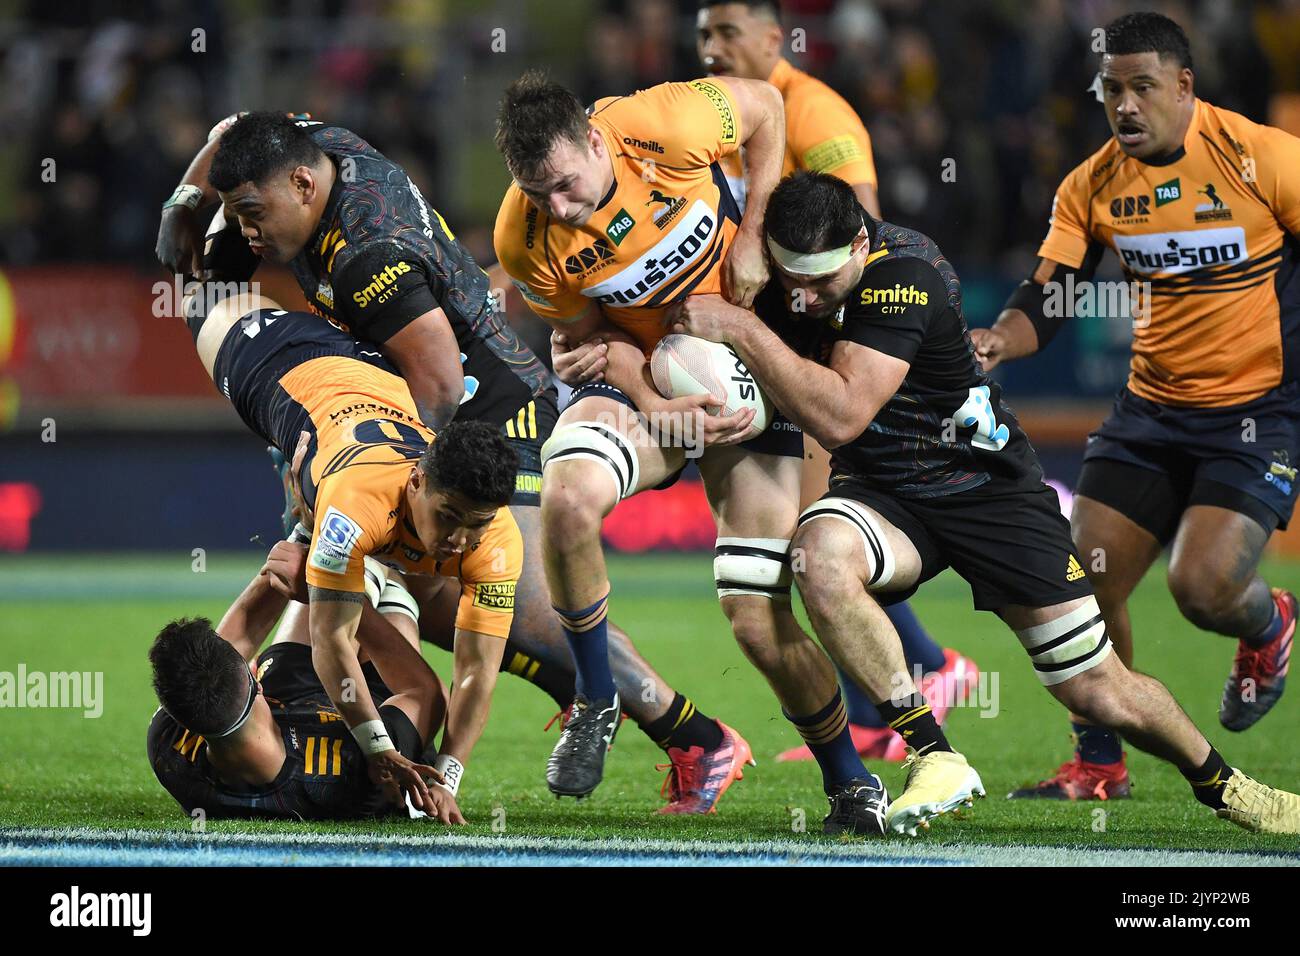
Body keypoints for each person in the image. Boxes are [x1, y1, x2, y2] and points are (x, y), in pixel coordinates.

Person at [668, 168, 1300, 836]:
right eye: (792, 281)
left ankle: (1227, 786)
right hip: (886, 495)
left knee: (1097, 687)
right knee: (818, 556)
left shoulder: (905, 272)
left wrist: (742, 329)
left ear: (858, 244)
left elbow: (843, 414)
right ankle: (933, 756)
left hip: (985, 489)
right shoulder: (778, 274)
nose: (804, 298)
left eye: (821, 283)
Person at [158, 112, 748, 814]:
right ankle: (589, 696)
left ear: (302, 182)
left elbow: (437, 386)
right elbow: (238, 126)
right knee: (446, 614)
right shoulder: (324, 146)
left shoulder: (366, 257)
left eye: (253, 213)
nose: (248, 231)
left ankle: (698, 739)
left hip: (489, 415)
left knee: (526, 616)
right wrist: (188, 201)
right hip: (445, 406)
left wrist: (381, 477)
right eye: (237, 213)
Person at [494, 71, 945, 834]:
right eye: (541, 197)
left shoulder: (662, 125)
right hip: (643, 381)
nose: (559, 210)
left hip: (750, 377)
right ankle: (597, 697)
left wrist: (748, 231)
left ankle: (849, 784)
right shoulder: (523, 238)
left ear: (597, 143)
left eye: (567, 186)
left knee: (755, 618)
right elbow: (588, 339)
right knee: (567, 493)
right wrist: (658, 402)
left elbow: (768, 111)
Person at [972, 12, 1299, 800]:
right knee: (1079, 582)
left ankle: (1265, 624)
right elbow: (1047, 298)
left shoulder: (1264, 158)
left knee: (1202, 590)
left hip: (1255, 413)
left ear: (1184, 87)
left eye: (1142, 87)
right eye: (1110, 89)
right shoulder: (1092, 185)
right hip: (1150, 414)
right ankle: (1098, 763)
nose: (1123, 105)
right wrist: (997, 343)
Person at [695, 0, 978, 763]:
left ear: (772, 36)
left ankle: (920, 678)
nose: (711, 48)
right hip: (787, 345)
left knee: (825, 528)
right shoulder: (719, 120)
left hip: (836, 357)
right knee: (812, 535)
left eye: (726, 32)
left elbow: (865, 232)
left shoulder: (813, 110)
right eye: (703, 35)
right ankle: (904, 685)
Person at [180, 283, 521, 819]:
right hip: (285, 372)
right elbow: (333, 639)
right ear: (416, 481)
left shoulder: (497, 539)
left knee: (343, 571)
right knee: (203, 296)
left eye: (475, 525)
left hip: (376, 382)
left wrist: (450, 776)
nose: (460, 539)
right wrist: (382, 754)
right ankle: (202, 211)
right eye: (450, 517)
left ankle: (320, 532)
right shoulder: (353, 509)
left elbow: (476, 671)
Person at [148, 541, 457, 822]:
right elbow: (426, 693)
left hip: (289, 692)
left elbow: (233, 644)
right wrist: (336, 595)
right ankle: (381, 579)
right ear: (256, 680)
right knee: (382, 579)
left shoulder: (169, 742)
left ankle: (330, 554)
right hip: (377, 709)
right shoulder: (348, 771)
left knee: (326, 566)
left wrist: (295, 547)